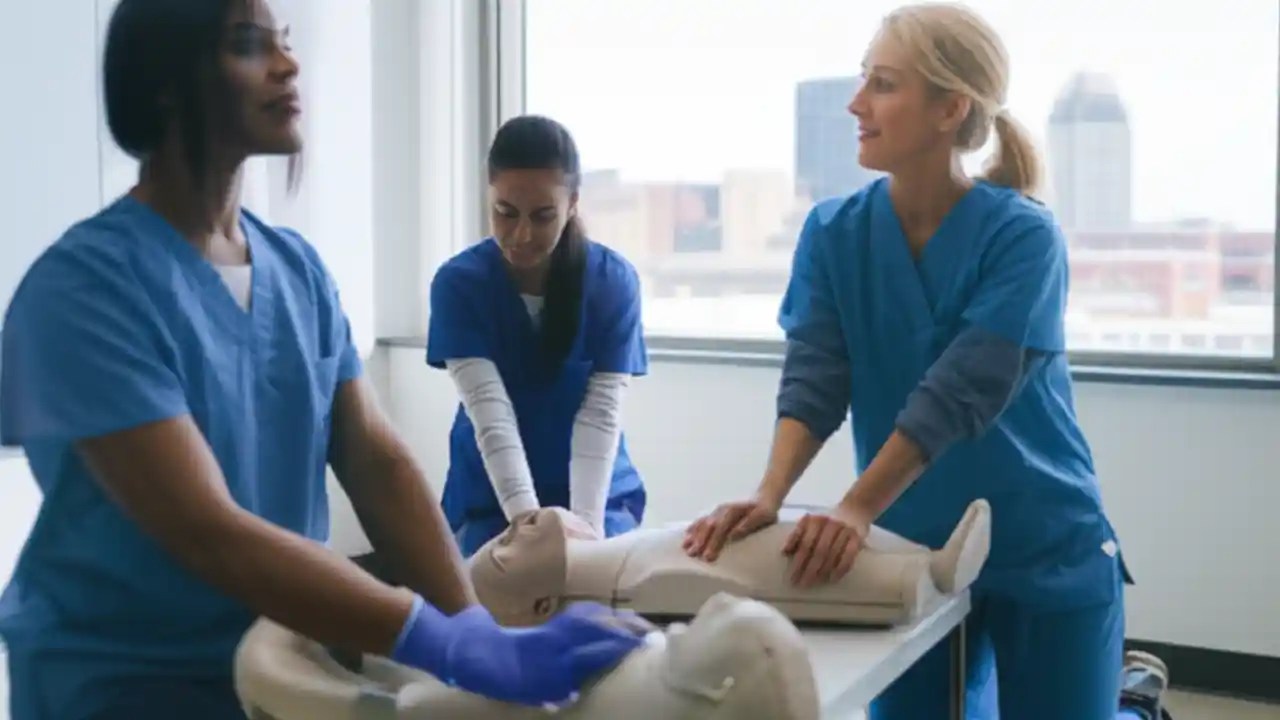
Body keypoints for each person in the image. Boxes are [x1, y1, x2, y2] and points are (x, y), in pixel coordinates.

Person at [0, 1, 644, 717]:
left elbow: (379, 465)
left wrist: (475, 631)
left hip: (276, 670)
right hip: (122, 688)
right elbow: (208, 533)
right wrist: (443, 642)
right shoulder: (85, 290)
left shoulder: (296, 272)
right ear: (164, 83)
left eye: (286, 41)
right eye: (250, 44)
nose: (289, 63)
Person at [682, 3, 1152, 719]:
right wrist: (771, 493)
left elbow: (961, 390)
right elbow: (816, 378)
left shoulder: (1024, 238)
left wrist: (854, 507)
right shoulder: (834, 233)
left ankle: (1137, 703)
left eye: (883, 84)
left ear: (948, 109)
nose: (856, 103)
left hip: (1044, 542)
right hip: (914, 550)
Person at [427, 114, 649, 557]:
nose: (521, 235)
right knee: (499, 604)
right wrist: (529, 525)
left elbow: (600, 416)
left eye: (543, 216)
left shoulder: (613, 282)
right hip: (491, 497)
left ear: (572, 204)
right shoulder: (459, 283)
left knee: (602, 597)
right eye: (504, 213)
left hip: (596, 495)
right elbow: (490, 415)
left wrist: (585, 536)